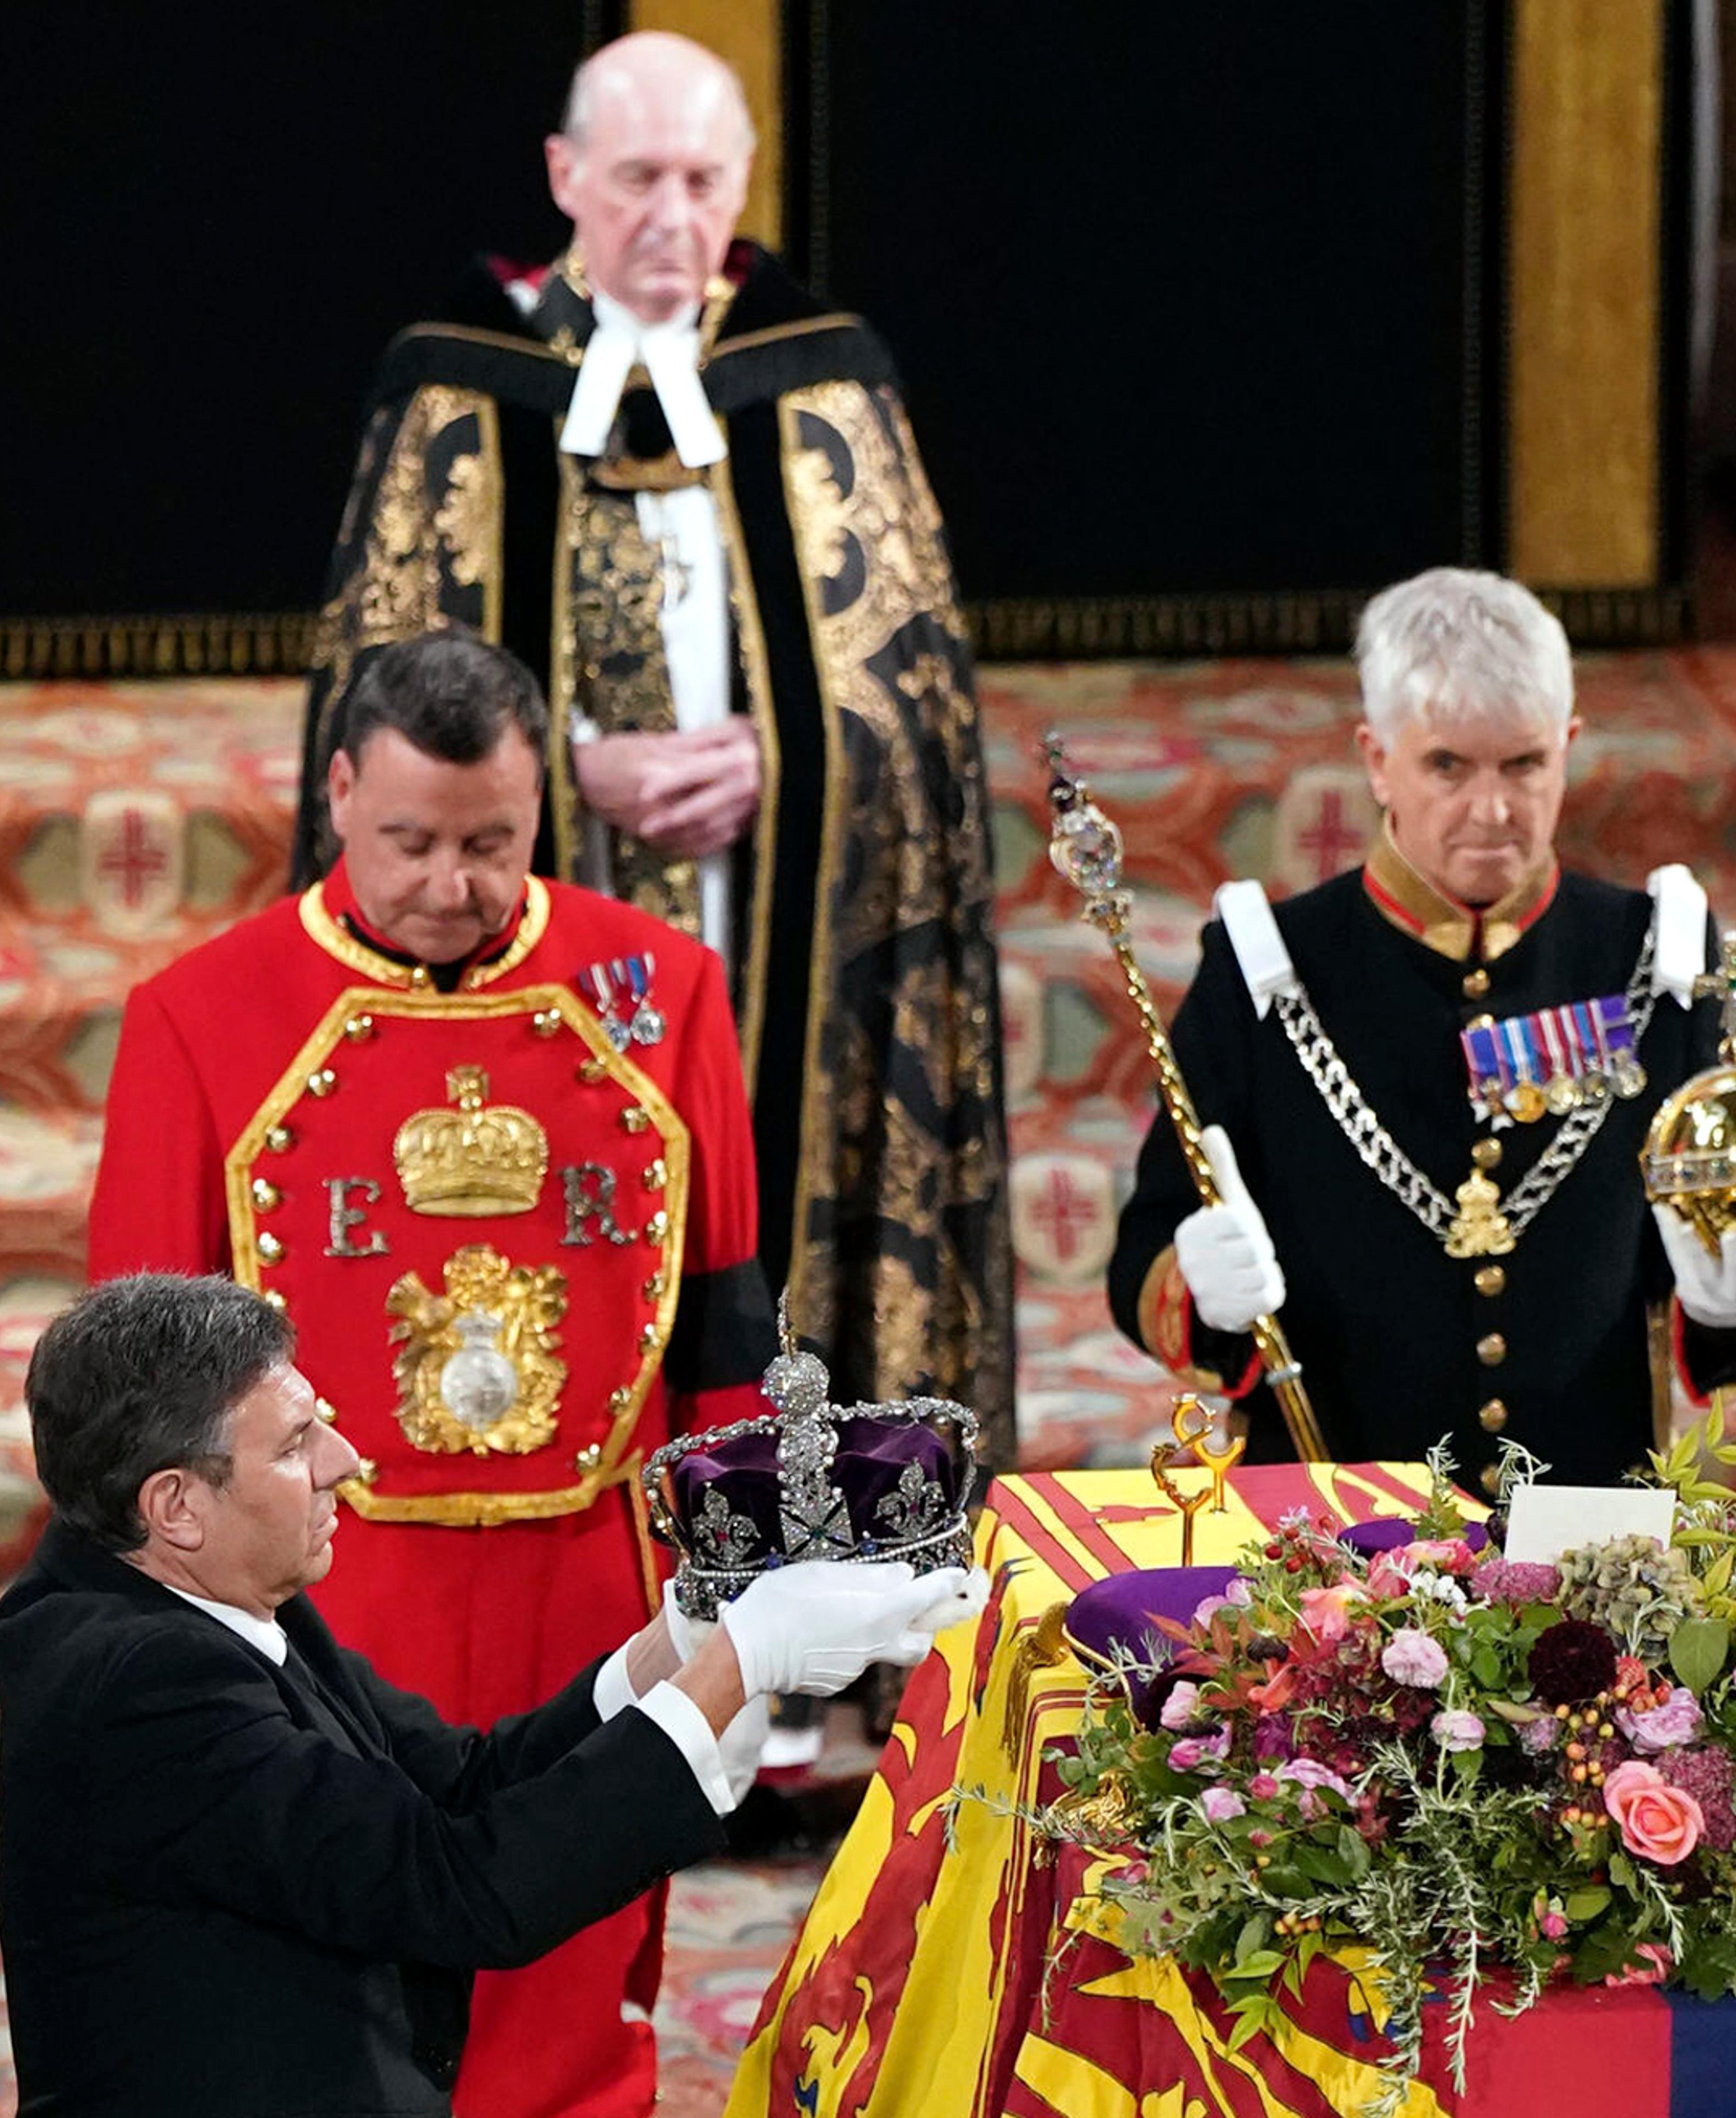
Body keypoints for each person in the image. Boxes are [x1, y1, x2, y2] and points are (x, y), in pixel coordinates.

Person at [287, 29, 1011, 1451]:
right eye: (636, 179)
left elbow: (922, 709)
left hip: (775, 932)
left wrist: (791, 763)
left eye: (703, 178)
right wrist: (564, 774)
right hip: (545, 909)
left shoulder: (824, 376)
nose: (673, 218)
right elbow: (375, 698)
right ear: (565, 177)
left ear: (742, 179)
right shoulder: (460, 383)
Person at [87, 629, 763, 2116]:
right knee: (322, 1986)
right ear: (337, 792)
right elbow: (132, 1375)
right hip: (321, 1587)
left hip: (591, 1568)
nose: (451, 887)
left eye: (492, 844)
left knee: (574, 1980)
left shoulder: (667, 989)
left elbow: (724, 1316)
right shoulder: (200, 1015)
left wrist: (740, 1585)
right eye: (411, 842)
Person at [0, 1271, 969, 2117]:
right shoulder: (143, 1689)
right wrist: (740, 1669)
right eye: (294, 1446)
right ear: (175, 1506)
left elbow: (459, 1784)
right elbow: (463, 1889)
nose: (343, 1461)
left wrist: (679, 1642)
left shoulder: (195, 1594)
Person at [1103, 569, 1736, 1492]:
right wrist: (1199, 1291)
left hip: (1584, 1515)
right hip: (1334, 1518)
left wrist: (1729, 1303)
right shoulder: (1266, 967)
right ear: (1376, 757)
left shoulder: (1655, 960)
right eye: (1447, 766)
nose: (1492, 810)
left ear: (1570, 748)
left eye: (1524, 765)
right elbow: (1142, 1258)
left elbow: (1710, 1299)